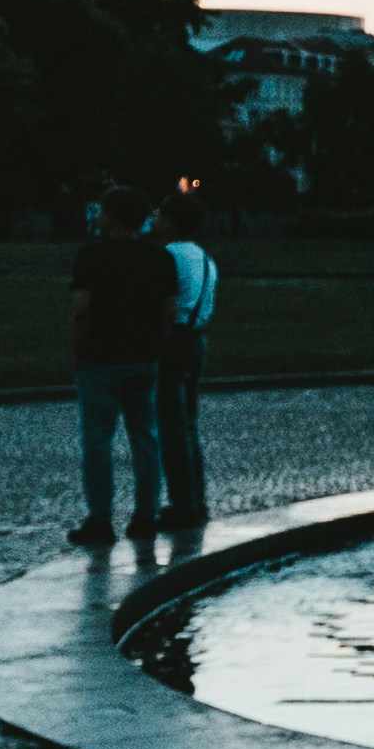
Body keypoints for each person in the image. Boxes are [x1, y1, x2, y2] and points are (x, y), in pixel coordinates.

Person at [58, 185, 172, 551]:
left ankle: (100, 519)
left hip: (101, 357)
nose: (97, 215)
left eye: (103, 210)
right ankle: (145, 516)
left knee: (97, 440)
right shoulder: (160, 258)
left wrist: (77, 349)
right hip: (143, 357)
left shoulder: (91, 257)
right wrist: (157, 344)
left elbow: (81, 309)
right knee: (145, 437)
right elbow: (169, 310)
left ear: (113, 216)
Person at [152, 181, 227, 532]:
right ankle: (195, 499)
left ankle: (183, 505)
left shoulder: (168, 257)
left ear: (169, 221)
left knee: (171, 427)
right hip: (197, 339)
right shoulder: (205, 258)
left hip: (174, 342)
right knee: (188, 425)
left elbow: (162, 307)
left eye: (159, 214)